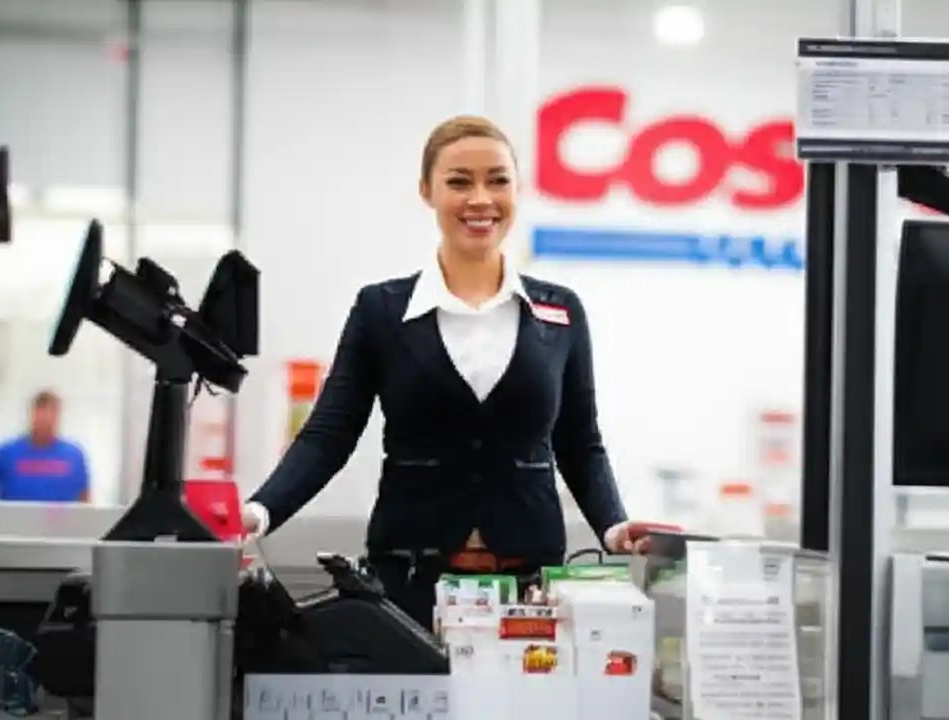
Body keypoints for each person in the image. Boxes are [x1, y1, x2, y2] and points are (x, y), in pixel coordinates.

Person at [242, 115, 652, 629]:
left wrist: (614, 527)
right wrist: (258, 512)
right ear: (426, 191)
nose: (481, 198)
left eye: (498, 180)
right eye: (459, 181)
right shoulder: (382, 310)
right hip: (409, 580)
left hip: (529, 584)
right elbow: (329, 434)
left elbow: (580, 441)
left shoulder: (560, 311)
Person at [0, 390, 90, 502]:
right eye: (41, 414)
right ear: (32, 415)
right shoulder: (7, 452)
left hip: (62, 521)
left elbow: (85, 499)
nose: (45, 420)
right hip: (14, 521)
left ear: (57, 417)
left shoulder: (74, 456)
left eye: (51, 414)